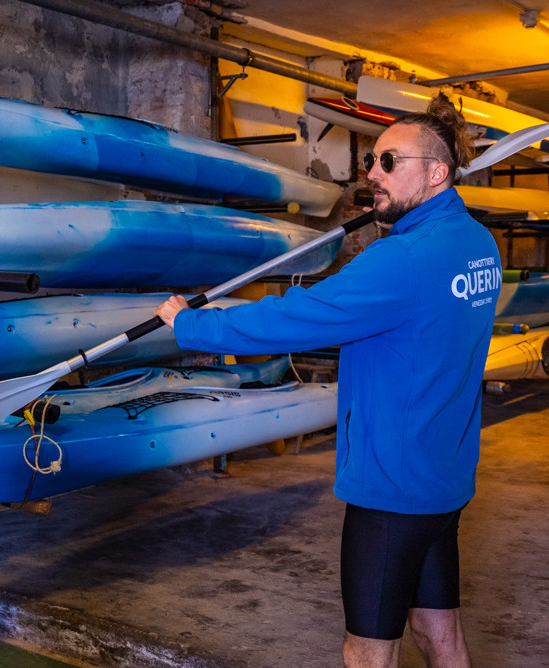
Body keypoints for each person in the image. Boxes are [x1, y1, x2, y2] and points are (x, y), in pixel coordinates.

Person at [155, 94, 500, 668]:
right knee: (440, 633)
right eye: (372, 161)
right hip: (444, 477)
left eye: (391, 162)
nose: (373, 174)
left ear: (437, 172)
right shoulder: (476, 243)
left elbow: (294, 318)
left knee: (366, 652)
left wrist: (192, 324)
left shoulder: (403, 261)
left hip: (393, 482)